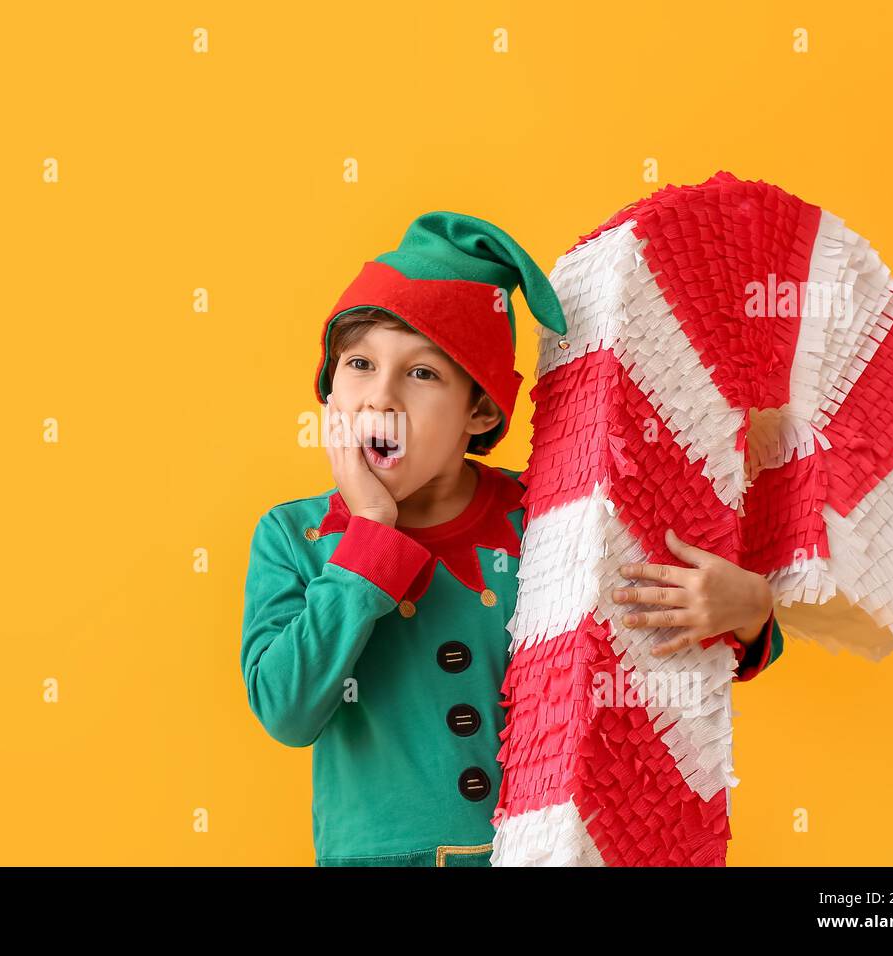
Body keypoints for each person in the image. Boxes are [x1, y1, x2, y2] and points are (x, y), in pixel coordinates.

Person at [240, 211, 784, 867]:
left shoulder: (553, 514)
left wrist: (750, 613)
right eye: (359, 364)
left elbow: (657, 642)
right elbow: (287, 710)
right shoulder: (293, 536)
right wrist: (370, 530)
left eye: (421, 374)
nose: (380, 399)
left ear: (480, 410)